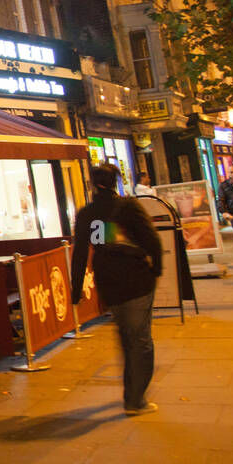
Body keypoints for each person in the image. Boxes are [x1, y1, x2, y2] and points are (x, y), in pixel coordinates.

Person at [71, 163, 163, 415]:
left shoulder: (87, 213)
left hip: (108, 281)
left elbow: (80, 252)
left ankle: (131, 393)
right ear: (116, 182)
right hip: (136, 278)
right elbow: (151, 239)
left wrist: (76, 289)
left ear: (92, 184)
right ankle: (135, 399)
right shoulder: (128, 206)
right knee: (140, 339)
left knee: (125, 336)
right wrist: (156, 269)